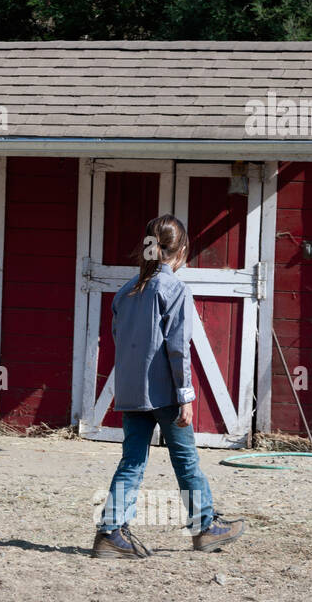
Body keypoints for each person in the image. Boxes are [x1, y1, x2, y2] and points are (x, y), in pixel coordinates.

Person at [92, 214, 245, 559]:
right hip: (165, 393)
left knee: (132, 462)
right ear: (182, 250)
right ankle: (205, 527)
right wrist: (185, 396)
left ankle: (110, 532)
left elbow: (119, 340)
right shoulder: (174, 289)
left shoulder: (125, 292)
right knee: (186, 461)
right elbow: (178, 348)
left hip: (132, 393)